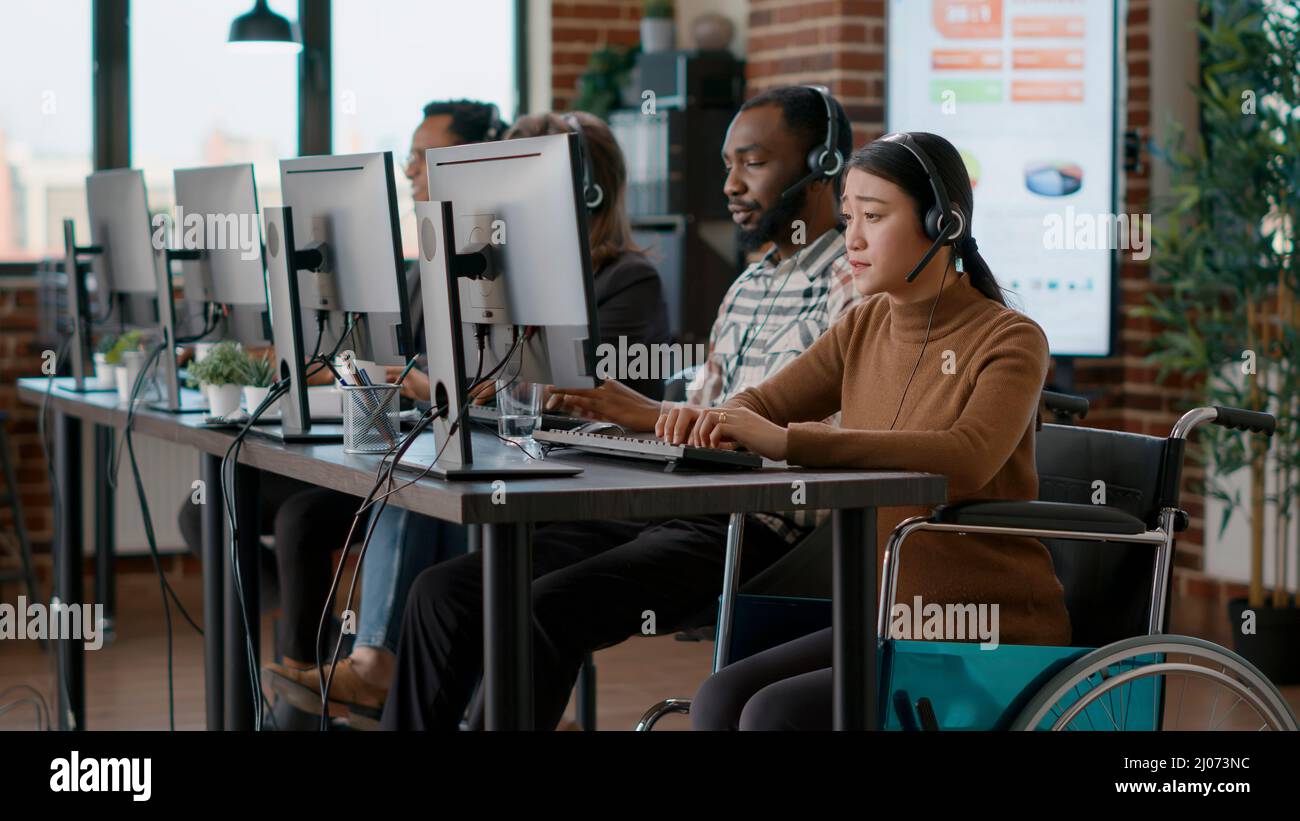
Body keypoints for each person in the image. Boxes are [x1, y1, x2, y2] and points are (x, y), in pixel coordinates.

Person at [379, 85, 865, 731]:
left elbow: (826, 439)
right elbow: (697, 413)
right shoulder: (749, 283)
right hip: (675, 501)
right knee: (443, 592)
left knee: (543, 606)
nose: (730, 185)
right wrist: (632, 422)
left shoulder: (853, 285)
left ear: (821, 165)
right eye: (727, 165)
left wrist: (649, 418)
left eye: (753, 163)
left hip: (758, 526)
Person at [264, 109, 671, 726]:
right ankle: (387, 672)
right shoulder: (498, 277)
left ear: (585, 193)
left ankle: (397, 672)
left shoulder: (627, 280)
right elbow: (478, 385)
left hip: (578, 492)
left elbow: (591, 401)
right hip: (494, 467)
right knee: (392, 479)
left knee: (423, 516)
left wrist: (434, 385)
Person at [683, 131, 1072, 731]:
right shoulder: (864, 323)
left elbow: (965, 459)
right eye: (847, 217)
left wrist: (792, 442)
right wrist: (720, 418)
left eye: (873, 216)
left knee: (772, 714)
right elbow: (767, 401)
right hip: (888, 616)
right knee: (718, 696)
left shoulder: (1012, 338)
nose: (853, 239)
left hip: (984, 629)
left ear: (942, 224)